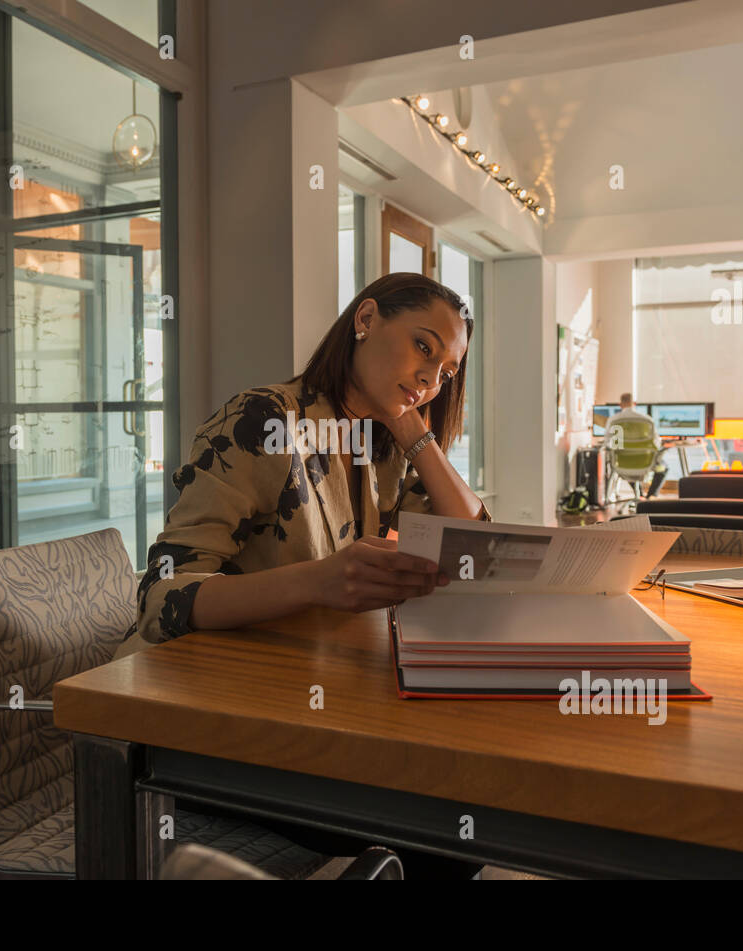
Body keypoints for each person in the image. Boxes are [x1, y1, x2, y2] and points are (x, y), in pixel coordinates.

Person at [115, 272, 492, 878]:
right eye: (424, 347)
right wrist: (319, 582)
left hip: (311, 704)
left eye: (446, 371)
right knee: (452, 819)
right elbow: (160, 598)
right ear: (365, 319)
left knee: (466, 796)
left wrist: (416, 430)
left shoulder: (381, 443)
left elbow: (472, 543)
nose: (431, 377)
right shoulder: (263, 419)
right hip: (203, 727)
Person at [604, 392, 667, 498]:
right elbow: (656, 444)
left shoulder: (614, 420)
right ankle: (650, 496)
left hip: (622, 463)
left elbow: (610, 444)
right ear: (635, 403)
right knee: (664, 467)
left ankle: (639, 495)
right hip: (645, 462)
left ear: (620, 405)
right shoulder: (647, 420)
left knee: (627, 465)